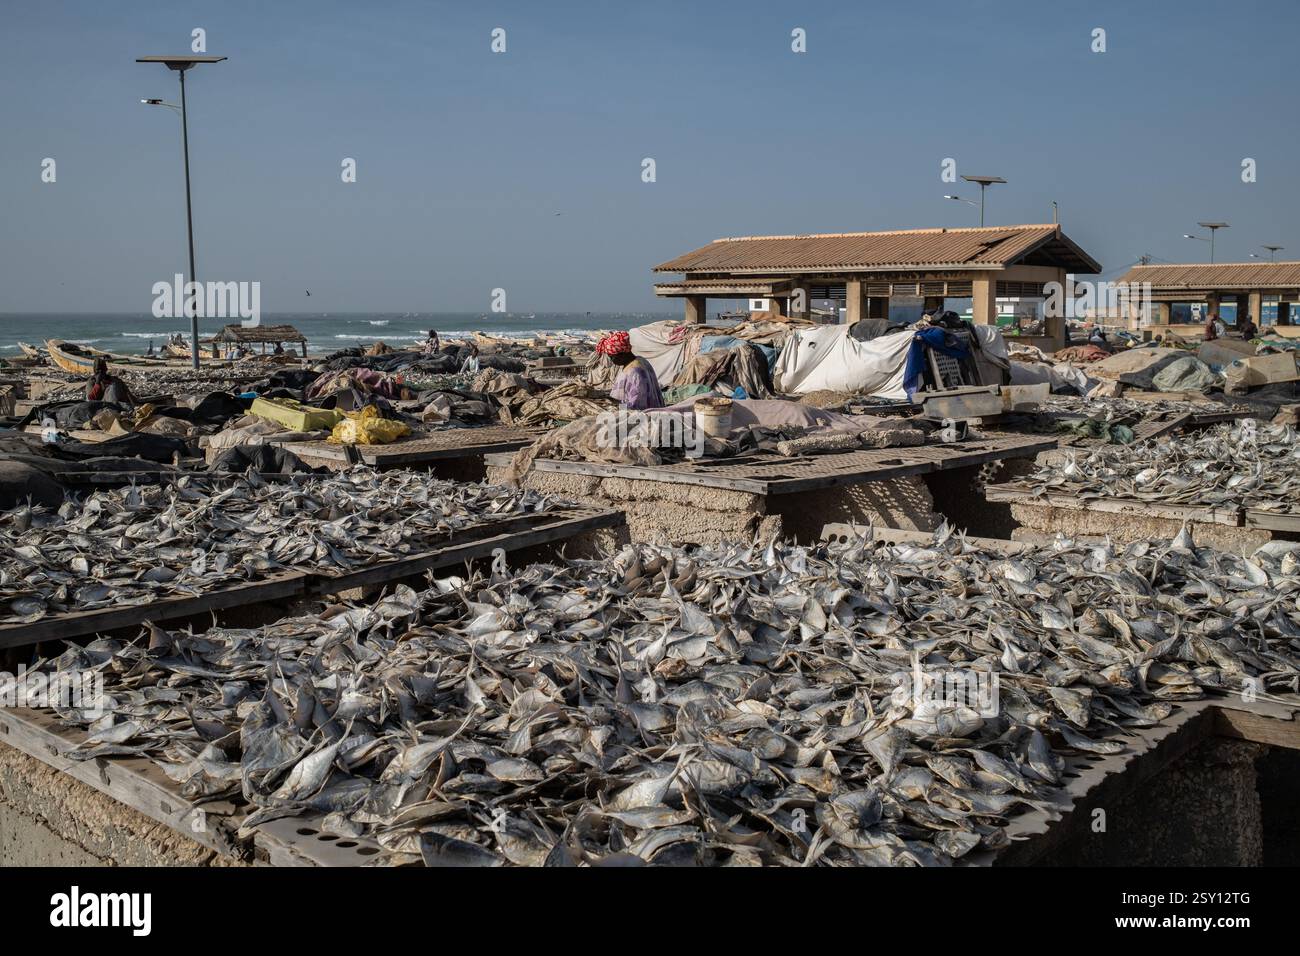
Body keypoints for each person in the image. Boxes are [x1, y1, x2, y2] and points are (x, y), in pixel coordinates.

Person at [599, 331, 663, 410]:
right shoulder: (641, 361)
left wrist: (613, 404)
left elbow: (635, 406)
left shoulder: (634, 373)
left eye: (612, 357)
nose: (612, 360)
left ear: (622, 354)